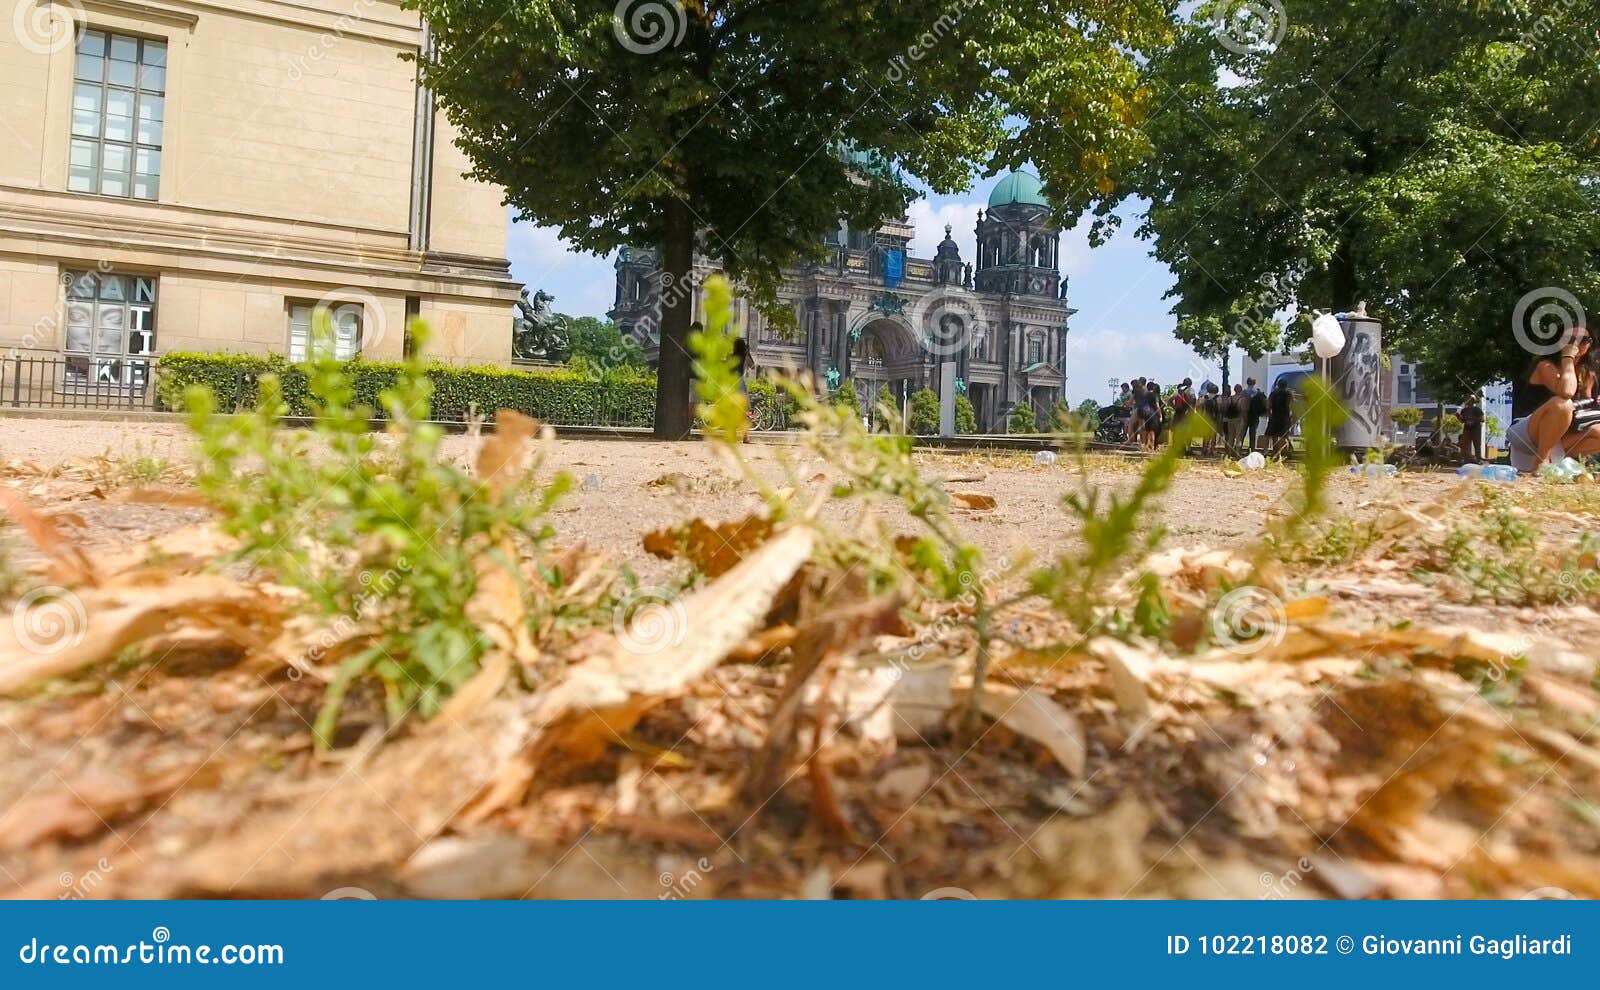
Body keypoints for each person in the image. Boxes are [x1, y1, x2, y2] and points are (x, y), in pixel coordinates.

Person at [1506, 326, 1600, 472]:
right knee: (1562, 404)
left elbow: (1586, 409)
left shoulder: (1586, 373)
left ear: (1589, 345)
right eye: (1570, 339)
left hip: (1560, 441)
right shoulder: (1546, 366)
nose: (1576, 344)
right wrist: (1568, 358)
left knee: (1596, 429)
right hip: (1527, 434)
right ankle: (1540, 463)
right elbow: (1566, 392)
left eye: (1584, 340)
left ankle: (1562, 465)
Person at [1264, 378, 1293, 457]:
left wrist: (1269, 414)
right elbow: (1290, 406)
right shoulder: (1288, 394)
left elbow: (1268, 405)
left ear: (1278, 385)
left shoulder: (1273, 394)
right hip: (1284, 417)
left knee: (1273, 436)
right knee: (1285, 436)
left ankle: (1274, 452)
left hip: (1274, 417)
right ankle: (1287, 452)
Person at [1457, 395, 1483, 462]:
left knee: (1477, 444)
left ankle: (1478, 460)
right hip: (1467, 429)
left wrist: (1473, 421)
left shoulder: (1477, 409)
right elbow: (1462, 421)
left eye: (1469, 399)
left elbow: (1482, 419)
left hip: (1476, 429)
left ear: (1473, 401)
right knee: (1465, 444)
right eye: (1466, 399)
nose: (1467, 401)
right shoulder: (1464, 410)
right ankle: (1466, 459)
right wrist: (1458, 417)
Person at [1200, 384, 1223, 456]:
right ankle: (1212, 450)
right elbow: (1220, 409)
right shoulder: (1218, 398)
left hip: (1206, 418)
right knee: (1213, 436)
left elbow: (1199, 405)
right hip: (1215, 419)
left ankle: (1204, 449)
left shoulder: (1205, 397)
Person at [1246, 377, 1267, 451]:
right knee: (1253, 432)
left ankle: (1239, 447)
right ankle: (1252, 447)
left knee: (1242, 433)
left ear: (1247, 382)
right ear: (1254, 383)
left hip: (1245, 415)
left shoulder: (1244, 392)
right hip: (1255, 415)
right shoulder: (1258, 392)